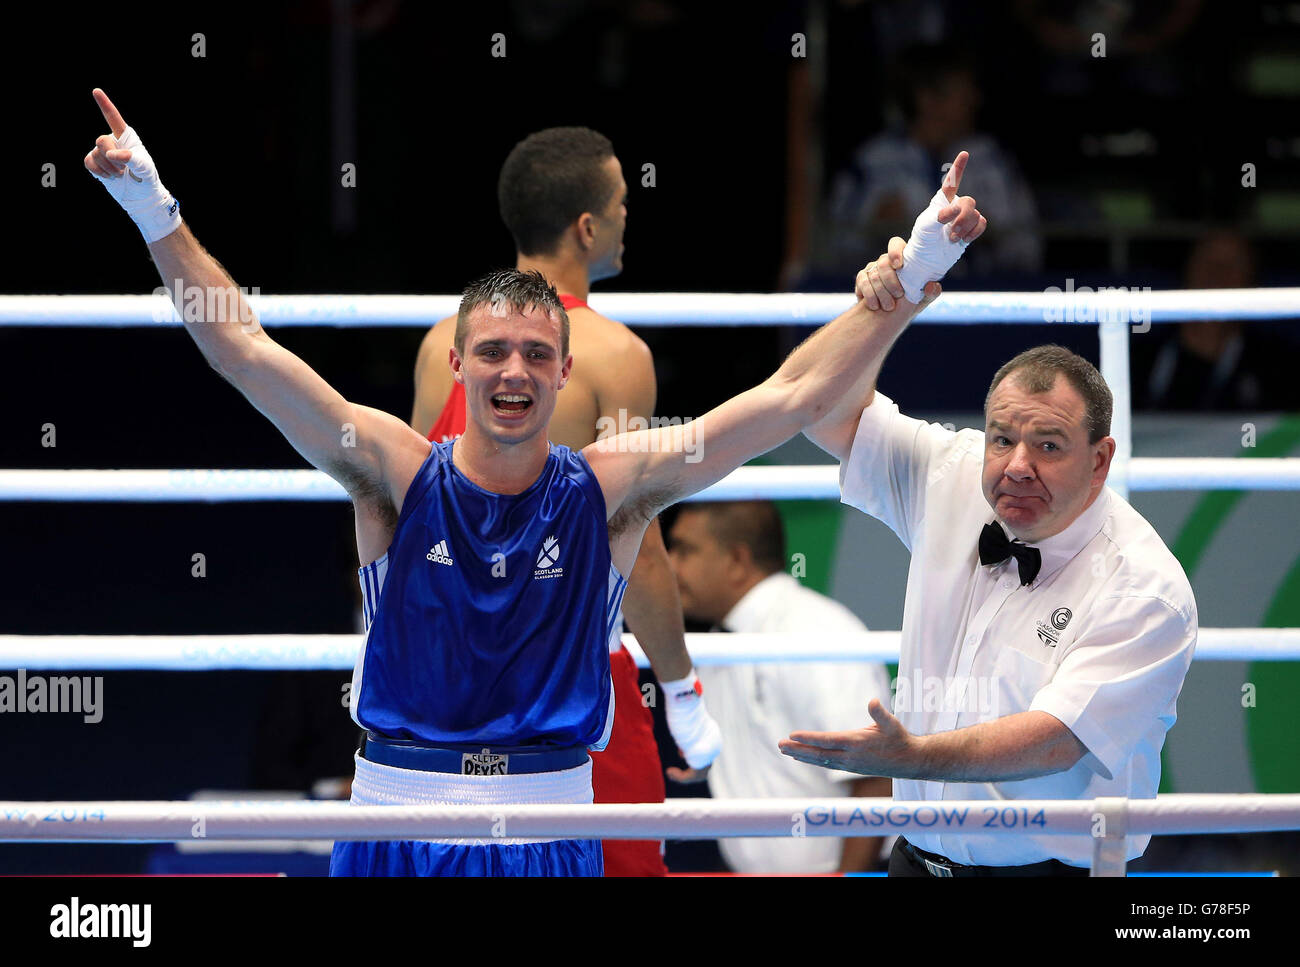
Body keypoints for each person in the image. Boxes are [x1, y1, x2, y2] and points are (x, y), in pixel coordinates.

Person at [84, 87, 985, 876]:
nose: (512, 371)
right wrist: (153, 210)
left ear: (563, 374)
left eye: (535, 354)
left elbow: (790, 395)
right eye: (493, 352)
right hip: (399, 815)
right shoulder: (393, 471)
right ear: (459, 363)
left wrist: (911, 277)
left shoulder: (611, 487)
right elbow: (244, 350)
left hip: (552, 822)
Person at [780, 239, 1198, 876]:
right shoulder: (950, 472)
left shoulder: (1145, 586)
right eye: (1002, 439)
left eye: (1049, 445)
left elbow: (1055, 739)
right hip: (916, 861)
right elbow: (817, 406)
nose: (1018, 467)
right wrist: (891, 299)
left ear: (1101, 460)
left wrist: (912, 756)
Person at [410, 127, 718, 876]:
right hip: (568, 671)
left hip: (447, 672)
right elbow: (634, 543)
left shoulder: (441, 345)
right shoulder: (613, 354)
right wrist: (681, 687)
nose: (625, 217)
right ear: (587, 226)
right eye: (620, 203)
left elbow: (404, 522)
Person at [665, 501, 893, 873]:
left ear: (737, 560)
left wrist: (849, 877)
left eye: (685, 550)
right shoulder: (719, 643)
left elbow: (874, 776)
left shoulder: (817, 633)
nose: (671, 566)